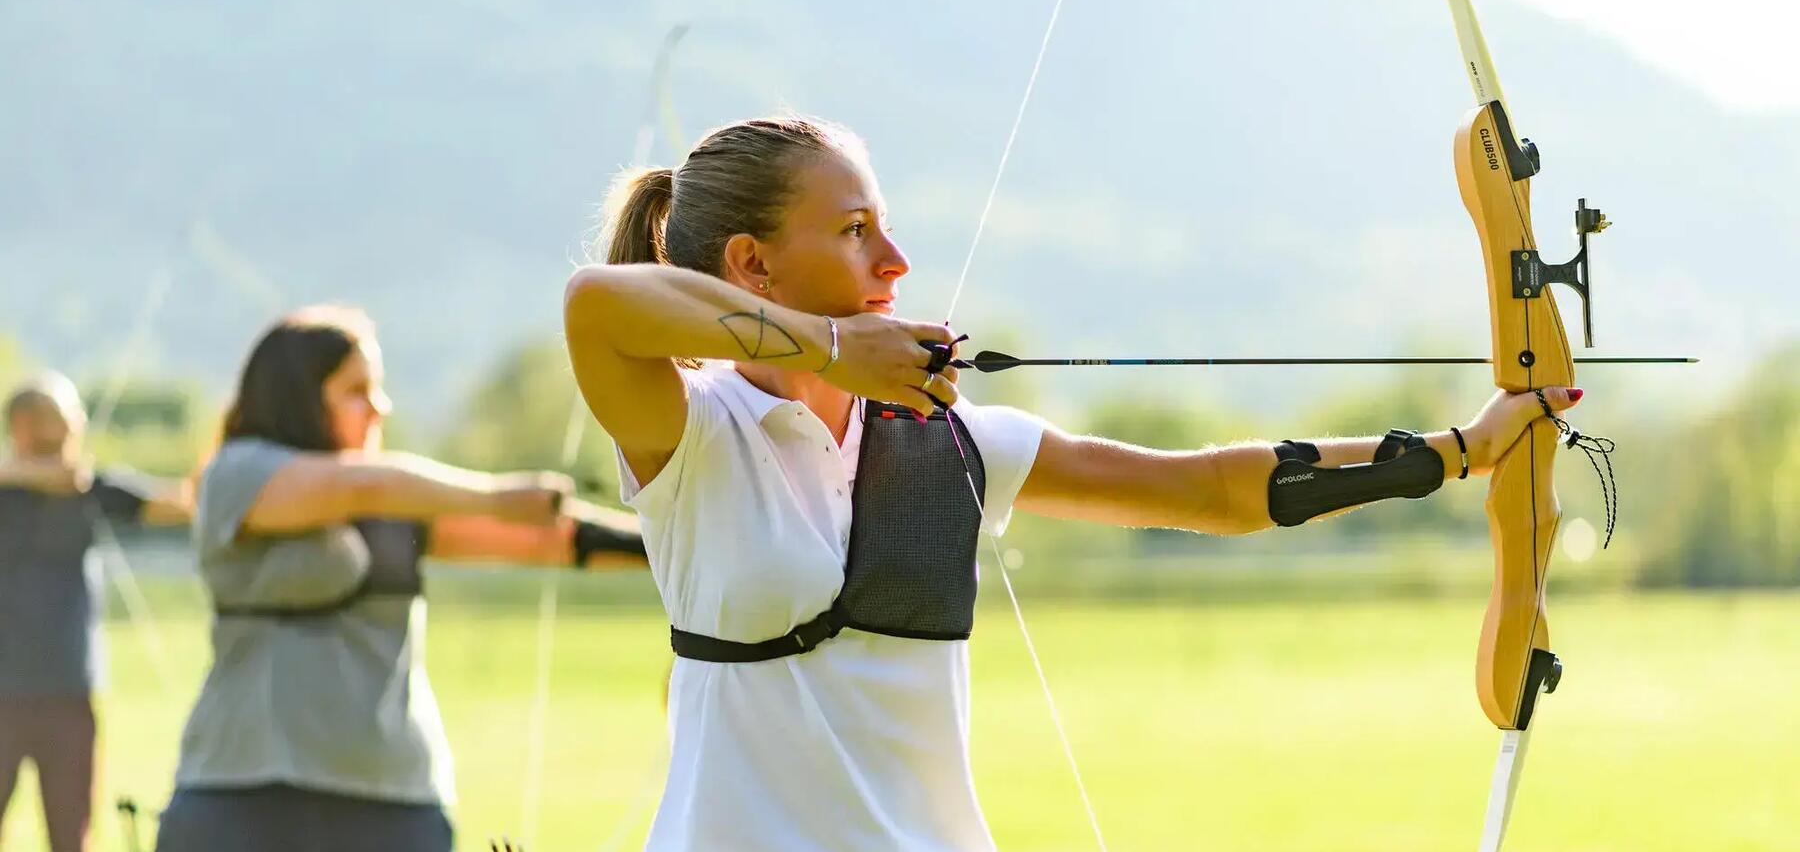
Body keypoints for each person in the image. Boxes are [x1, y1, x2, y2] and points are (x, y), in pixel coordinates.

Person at [563, 115, 1584, 852]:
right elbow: (598, 305)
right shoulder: (692, 433)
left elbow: (1210, 489)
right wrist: (833, 349)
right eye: (856, 230)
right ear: (753, 262)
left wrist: (1460, 448)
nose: (897, 259)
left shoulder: (954, 440)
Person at [152, 304, 646, 852]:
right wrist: (497, 495)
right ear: (297, 398)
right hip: (239, 793)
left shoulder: (401, 500)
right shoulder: (236, 474)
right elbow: (363, 488)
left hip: (393, 800)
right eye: (357, 390)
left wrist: (670, 547)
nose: (380, 408)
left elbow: (552, 538)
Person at [0, 371, 191, 852]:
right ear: (23, 426)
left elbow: (177, 504)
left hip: (69, 692)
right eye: (60, 420)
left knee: (71, 835)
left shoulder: (89, 490)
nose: (73, 431)